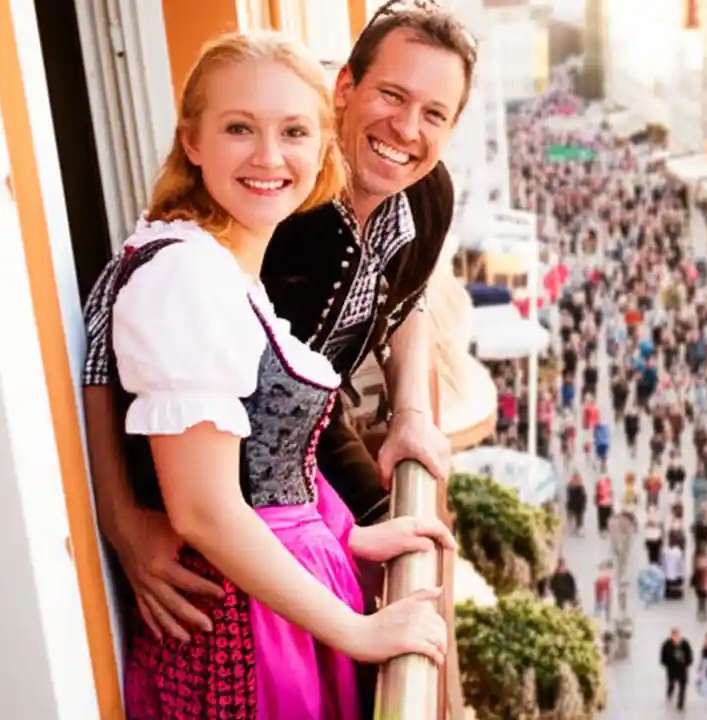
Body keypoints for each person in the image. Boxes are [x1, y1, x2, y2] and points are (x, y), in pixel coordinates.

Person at [83, 0, 475, 655]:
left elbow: (408, 305)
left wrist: (409, 411)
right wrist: (121, 517)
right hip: (226, 562)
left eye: (434, 113)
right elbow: (111, 314)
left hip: (287, 519)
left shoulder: (425, 195)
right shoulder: (273, 210)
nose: (407, 127)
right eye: (391, 94)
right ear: (344, 91)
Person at [661, 628, 695, 711]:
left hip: (682, 669)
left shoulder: (685, 644)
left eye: (677, 636)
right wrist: (667, 664)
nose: (676, 638)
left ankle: (680, 703)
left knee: (682, 687)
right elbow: (663, 657)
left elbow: (689, 654)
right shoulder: (666, 645)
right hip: (672, 669)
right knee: (671, 683)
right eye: (674, 636)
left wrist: (687, 663)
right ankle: (670, 692)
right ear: (671, 636)